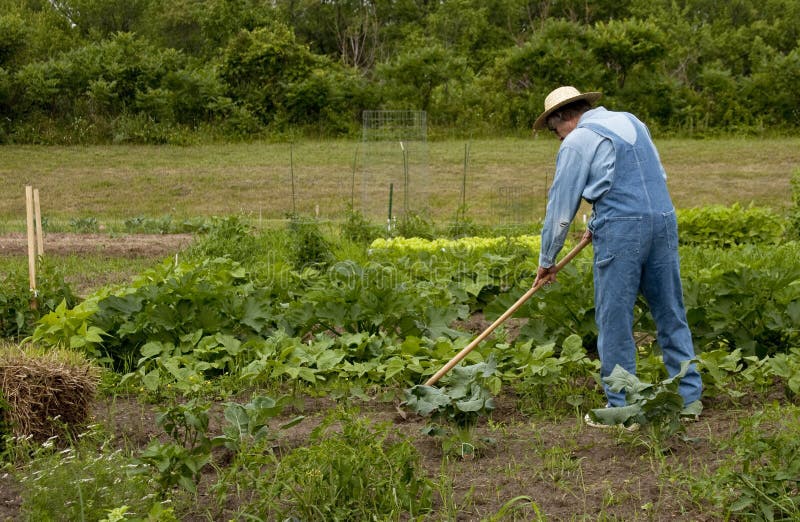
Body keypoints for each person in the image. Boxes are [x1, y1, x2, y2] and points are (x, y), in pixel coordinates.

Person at [531, 86, 702, 427]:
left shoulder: (577, 140)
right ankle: (688, 401)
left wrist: (547, 259)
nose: (557, 136)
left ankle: (623, 408)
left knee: (615, 319)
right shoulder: (632, 121)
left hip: (622, 229)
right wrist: (598, 221)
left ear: (562, 118)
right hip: (663, 219)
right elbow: (653, 177)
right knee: (670, 311)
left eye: (553, 129)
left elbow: (561, 208)